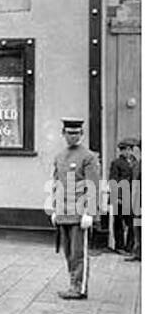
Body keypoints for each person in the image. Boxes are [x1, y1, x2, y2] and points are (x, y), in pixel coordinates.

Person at [45, 118, 102, 299]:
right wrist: (54, 209)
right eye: (69, 133)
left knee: (78, 253)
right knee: (68, 252)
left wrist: (89, 213)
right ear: (63, 134)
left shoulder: (88, 157)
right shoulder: (59, 157)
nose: (73, 136)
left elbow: (93, 186)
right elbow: (56, 185)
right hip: (63, 212)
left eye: (76, 133)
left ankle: (79, 288)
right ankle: (73, 284)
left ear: (82, 134)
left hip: (79, 213)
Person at [107, 137, 140, 253]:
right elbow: (113, 180)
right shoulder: (116, 163)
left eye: (130, 149)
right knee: (119, 223)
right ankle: (119, 246)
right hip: (120, 197)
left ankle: (130, 246)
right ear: (121, 151)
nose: (127, 152)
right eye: (125, 150)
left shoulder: (136, 162)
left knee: (132, 223)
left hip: (132, 197)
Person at [127, 140, 141, 261]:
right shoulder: (137, 163)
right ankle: (138, 252)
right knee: (137, 226)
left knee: (138, 226)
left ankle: (138, 252)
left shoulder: (139, 164)